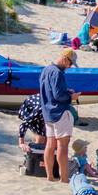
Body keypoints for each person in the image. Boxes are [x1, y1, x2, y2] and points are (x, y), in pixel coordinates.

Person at [39, 48, 80, 183]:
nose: (69, 67)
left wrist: (66, 91)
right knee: (63, 146)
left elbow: (50, 90)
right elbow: (58, 95)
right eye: (70, 63)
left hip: (48, 112)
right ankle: (64, 178)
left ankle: (50, 176)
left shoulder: (46, 70)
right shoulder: (58, 73)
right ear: (64, 59)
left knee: (50, 145)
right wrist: (71, 96)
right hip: (60, 112)